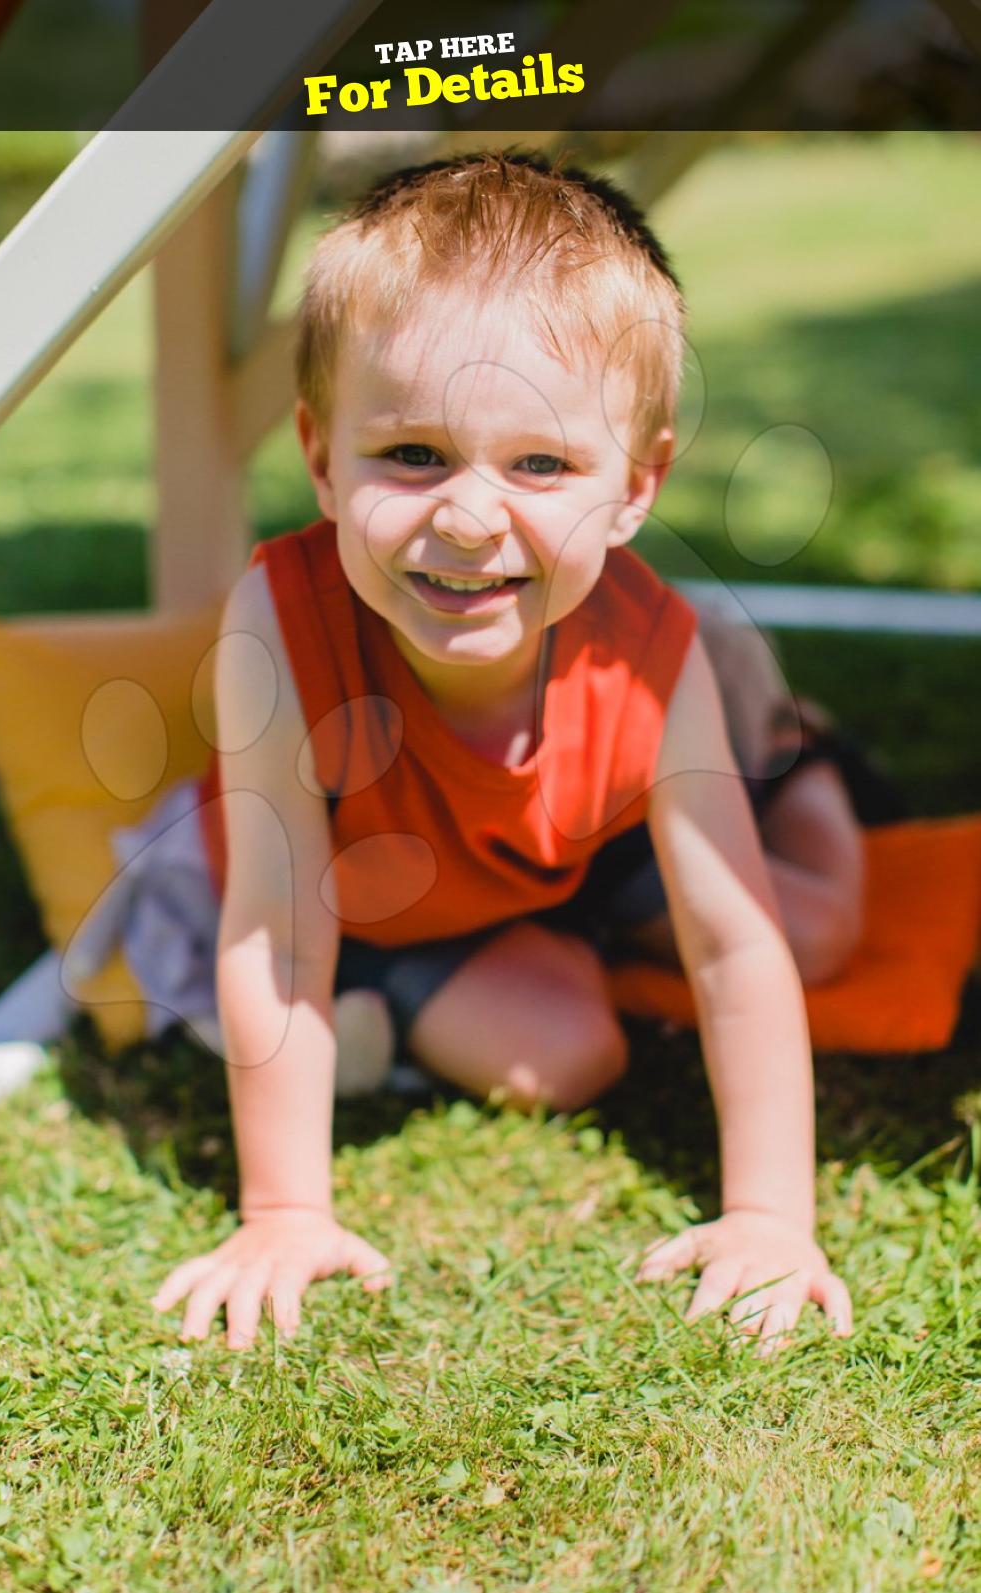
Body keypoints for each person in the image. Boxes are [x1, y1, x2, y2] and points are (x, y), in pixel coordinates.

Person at [151, 149, 860, 1359]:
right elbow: (276, 931)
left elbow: (730, 940)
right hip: (374, 900)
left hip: (569, 836)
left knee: (814, 933)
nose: (469, 517)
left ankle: (801, 760)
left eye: (540, 463)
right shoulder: (279, 616)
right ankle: (447, 985)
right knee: (563, 1052)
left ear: (635, 487)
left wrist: (769, 1218)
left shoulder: (649, 643)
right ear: (321, 459)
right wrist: (283, 1213)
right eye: (412, 454)